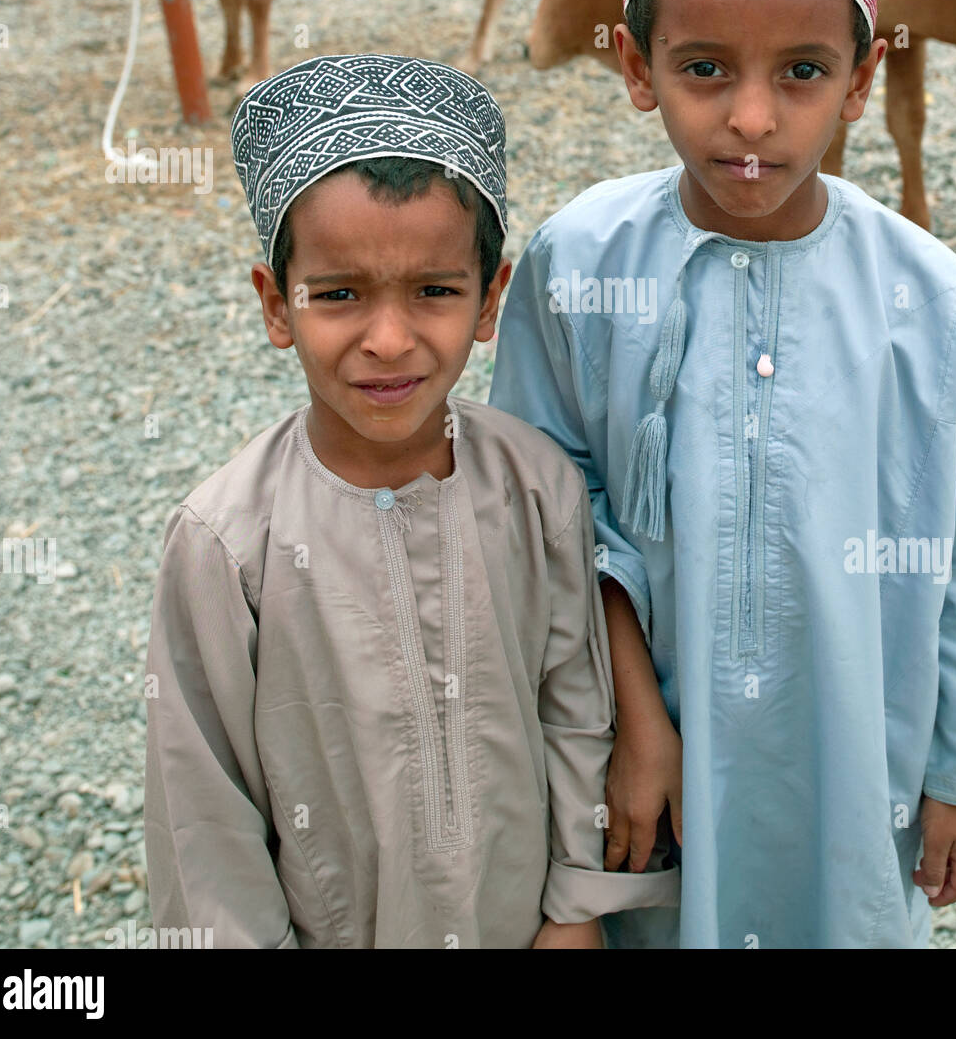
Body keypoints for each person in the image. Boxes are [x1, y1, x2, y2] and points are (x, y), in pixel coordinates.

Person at [489, 0, 956, 948]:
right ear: (635, 68)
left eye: (801, 72)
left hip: (859, 760)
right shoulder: (579, 262)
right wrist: (636, 721)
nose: (750, 118)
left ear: (861, 82)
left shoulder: (924, 293)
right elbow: (539, 510)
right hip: (636, 757)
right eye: (705, 69)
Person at [143, 54, 678, 948]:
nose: (388, 340)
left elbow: (574, 705)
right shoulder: (226, 541)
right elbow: (201, 800)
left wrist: (574, 908)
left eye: (433, 291)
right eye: (340, 295)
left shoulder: (534, 487)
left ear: (489, 299)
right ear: (277, 306)